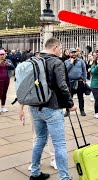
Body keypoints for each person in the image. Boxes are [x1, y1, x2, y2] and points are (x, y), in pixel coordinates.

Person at [19, 37, 76, 180]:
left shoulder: (33, 60)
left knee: (40, 140)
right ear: (55, 47)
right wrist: (70, 104)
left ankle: (35, 172)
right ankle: (64, 178)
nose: (61, 52)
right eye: (61, 49)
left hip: (35, 107)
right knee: (60, 144)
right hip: (52, 107)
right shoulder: (57, 62)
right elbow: (62, 86)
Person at [64, 48, 87, 117]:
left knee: (80, 97)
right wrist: (70, 63)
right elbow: (65, 71)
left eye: (74, 52)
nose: (73, 54)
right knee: (69, 97)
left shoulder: (81, 61)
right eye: (72, 52)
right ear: (69, 54)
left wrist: (84, 79)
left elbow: (84, 70)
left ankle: (82, 110)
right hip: (70, 82)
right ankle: (67, 111)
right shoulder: (66, 62)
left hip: (79, 81)